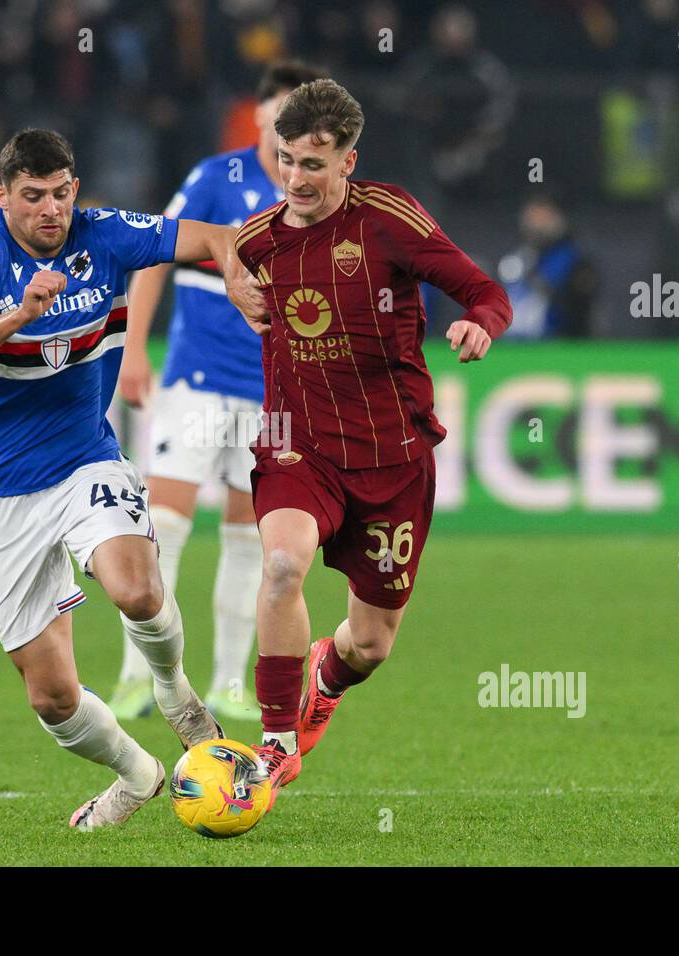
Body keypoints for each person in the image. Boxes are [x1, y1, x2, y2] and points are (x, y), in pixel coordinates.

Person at [0, 128, 264, 829]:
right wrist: (20, 313)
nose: (48, 210)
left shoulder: (107, 234)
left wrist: (234, 270)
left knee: (138, 588)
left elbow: (215, 237)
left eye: (59, 193)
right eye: (31, 197)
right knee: (51, 696)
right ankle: (138, 773)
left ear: (74, 189)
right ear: (3, 196)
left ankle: (175, 691)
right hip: (4, 490)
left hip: (87, 460)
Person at [232, 79, 512, 805]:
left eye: (314, 165)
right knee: (284, 566)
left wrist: (480, 323)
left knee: (370, 645)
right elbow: (212, 252)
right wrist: (232, 281)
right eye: (288, 160)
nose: (297, 178)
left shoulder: (390, 219)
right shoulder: (257, 243)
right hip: (299, 447)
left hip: (392, 458)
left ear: (348, 164)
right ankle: (274, 745)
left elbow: (484, 290)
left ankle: (325, 678)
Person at [109, 60, 328, 725]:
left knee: (249, 537)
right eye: (281, 113)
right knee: (162, 527)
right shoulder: (218, 178)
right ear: (259, 115)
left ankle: (231, 680)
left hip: (275, 394)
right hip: (197, 381)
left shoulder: (315, 196)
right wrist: (134, 347)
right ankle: (137, 677)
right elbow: (153, 252)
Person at [498, 193, 598, 339]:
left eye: (544, 216)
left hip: (556, 345)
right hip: (513, 346)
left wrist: (546, 289)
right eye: (532, 215)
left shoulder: (576, 262)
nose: (536, 223)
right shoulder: (515, 258)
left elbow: (580, 313)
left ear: (560, 218)